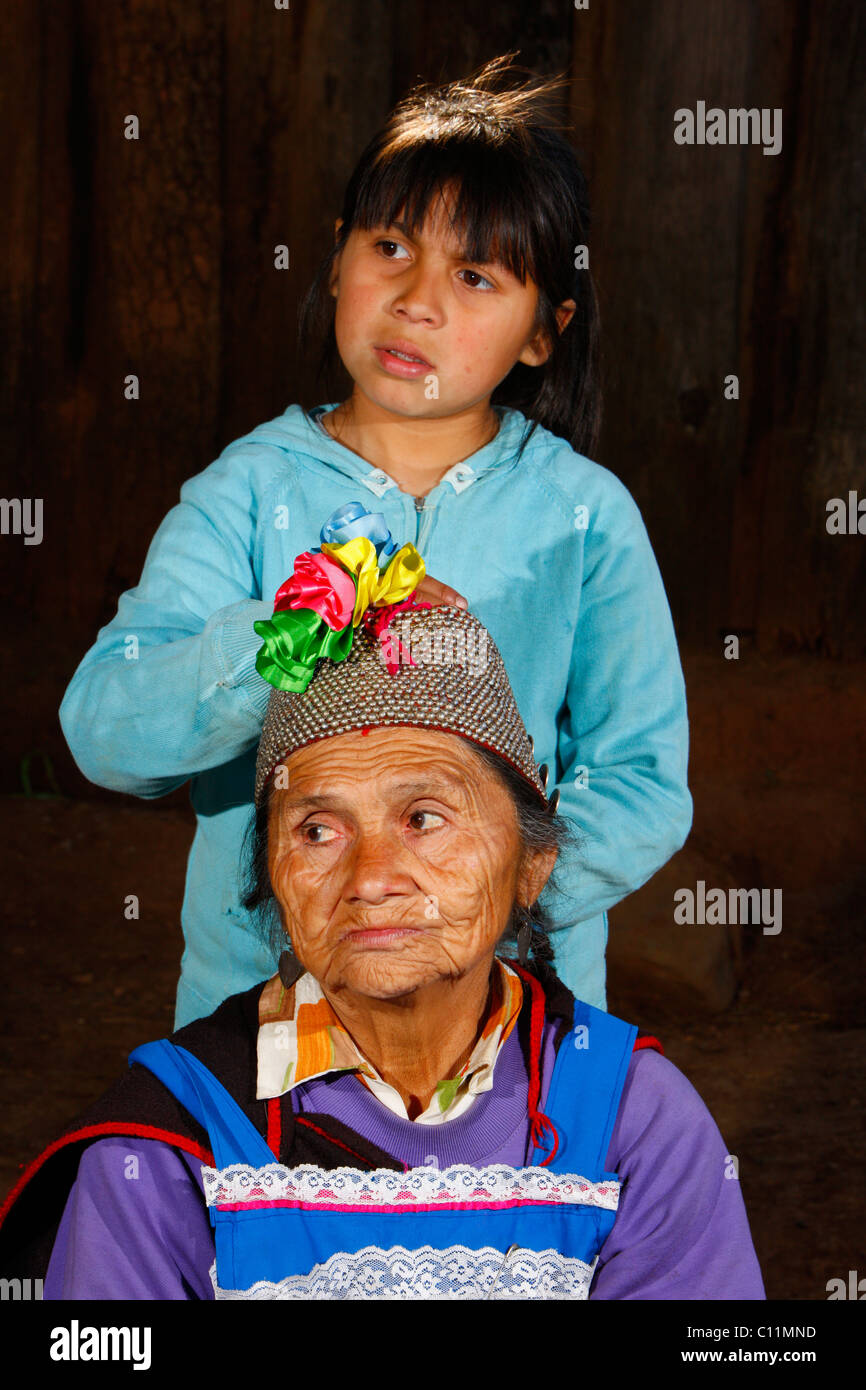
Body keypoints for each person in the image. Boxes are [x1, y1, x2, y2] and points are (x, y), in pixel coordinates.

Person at [58, 54, 691, 1029]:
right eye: (390, 246)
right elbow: (105, 732)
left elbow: (643, 779)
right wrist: (285, 640)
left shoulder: (584, 516)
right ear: (337, 255)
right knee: (276, 1185)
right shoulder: (248, 488)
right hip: (270, 1013)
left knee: (496, 1189)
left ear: (541, 332)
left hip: (511, 1015)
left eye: (474, 275)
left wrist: (494, 902)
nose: (417, 300)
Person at [0, 528, 761, 1299]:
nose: (369, 880)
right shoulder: (170, 1141)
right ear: (271, 877)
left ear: (532, 863)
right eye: (317, 831)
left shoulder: (631, 1117)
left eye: (425, 818)